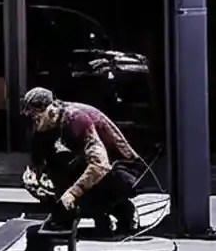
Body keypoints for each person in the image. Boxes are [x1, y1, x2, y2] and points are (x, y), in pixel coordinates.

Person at [20, 87, 144, 235]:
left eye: (37, 117)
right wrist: (34, 175)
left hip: (120, 167)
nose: (34, 122)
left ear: (51, 111)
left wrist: (73, 193)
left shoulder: (76, 119)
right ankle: (84, 212)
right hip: (84, 162)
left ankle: (121, 209)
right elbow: (38, 160)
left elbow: (100, 164)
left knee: (80, 185)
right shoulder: (42, 127)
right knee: (56, 175)